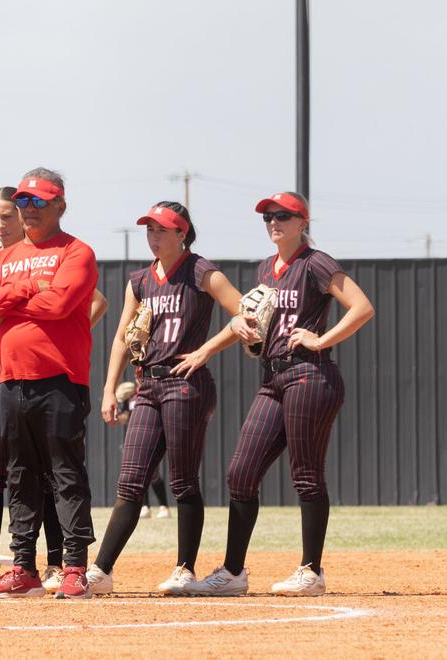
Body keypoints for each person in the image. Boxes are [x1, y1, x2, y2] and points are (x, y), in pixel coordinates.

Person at [186, 192, 374, 597]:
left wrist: (321, 339)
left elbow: (361, 307)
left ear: (302, 222)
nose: (274, 222)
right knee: (241, 472)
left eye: (284, 216)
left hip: (310, 375)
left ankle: (311, 572)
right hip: (272, 378)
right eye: (268, 217)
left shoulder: (315, 262)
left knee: (306, 474)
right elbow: (258, 329)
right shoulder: (265, 269)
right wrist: (242, 331)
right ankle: (233, 574)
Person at [0, 185, 108, 595]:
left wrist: (7, 300)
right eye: (24, 202)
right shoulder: (4, 256)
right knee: (20, 475)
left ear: (60, 206)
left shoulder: (76, 251)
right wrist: (31, 289)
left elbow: (60, 306)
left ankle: (72, 568)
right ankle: (24, 569)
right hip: (11, 378)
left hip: (61, 378)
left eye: (38, 202)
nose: (28, 209)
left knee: (65, 473)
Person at [87, 202, 246, 596]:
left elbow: (247, 311)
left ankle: (184, 568)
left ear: (183, 233)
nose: (153, 236)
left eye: (162, 230)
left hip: (185, 384)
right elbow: (123, 336)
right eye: (150, 229)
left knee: (182, 480)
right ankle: (101, 571)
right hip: (147, 387)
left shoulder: (201, 271)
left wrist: (207, 350)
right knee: (130, 480)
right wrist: (109, 388)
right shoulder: (140, 280)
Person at [114, 382, 170, 520]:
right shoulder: (130, 398)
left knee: (154, 474)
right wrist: (120, 407)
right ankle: (145, 507)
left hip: (151, 436)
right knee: (138, 474)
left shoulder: (149, 393)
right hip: (135, 437)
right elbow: (124, 418)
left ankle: (164, 507)